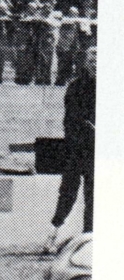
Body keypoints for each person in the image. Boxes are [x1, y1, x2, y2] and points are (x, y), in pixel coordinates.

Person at [47, 42, 95, 249]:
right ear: (86, 63)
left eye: (99, 61)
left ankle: (89, 238)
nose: (96, 65)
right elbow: (70, 119)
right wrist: (84, 132)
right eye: (92, 61)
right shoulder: (75, 86)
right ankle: (52, 233)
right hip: (77, 148)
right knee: (67, 193)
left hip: (96, 151)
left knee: (93, 196)